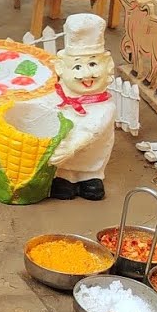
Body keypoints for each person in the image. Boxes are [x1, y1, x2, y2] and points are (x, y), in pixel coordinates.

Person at [39, 13, 117, 201]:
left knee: (92, 186)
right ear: (61, 68)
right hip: (63, 162)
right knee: (62, 183)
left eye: (93, 64)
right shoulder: (58, 97)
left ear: (107, 64)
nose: (87, 74)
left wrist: (72, 147)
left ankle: (90, 178)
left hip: (91, 160)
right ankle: (65, 177)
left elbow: (93, 130)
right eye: (77, 67)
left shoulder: (105, 106)